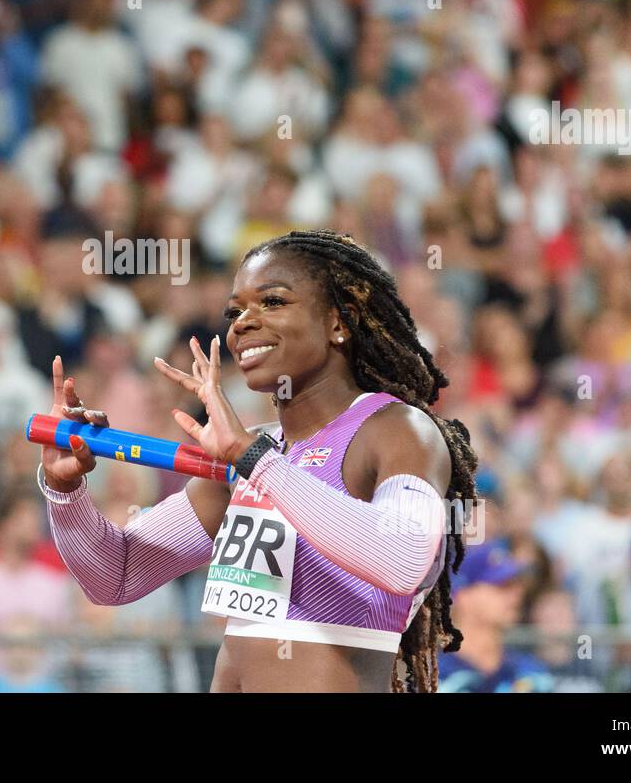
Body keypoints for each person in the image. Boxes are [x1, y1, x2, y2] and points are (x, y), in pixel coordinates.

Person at [38, 229, 479, 692]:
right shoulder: (250, 457)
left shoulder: (396, 429)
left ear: (338, 322)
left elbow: (402, 558)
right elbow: (116, 576)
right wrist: (66, 493)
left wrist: (253, 459)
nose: (242, 323)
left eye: (272, 302)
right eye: (235, 311)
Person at [437, 540, 552, 693]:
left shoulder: (533, 674)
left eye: (517, 586)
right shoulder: (433, 677)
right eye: (502, 586)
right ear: (462, 596)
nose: (517, 595)